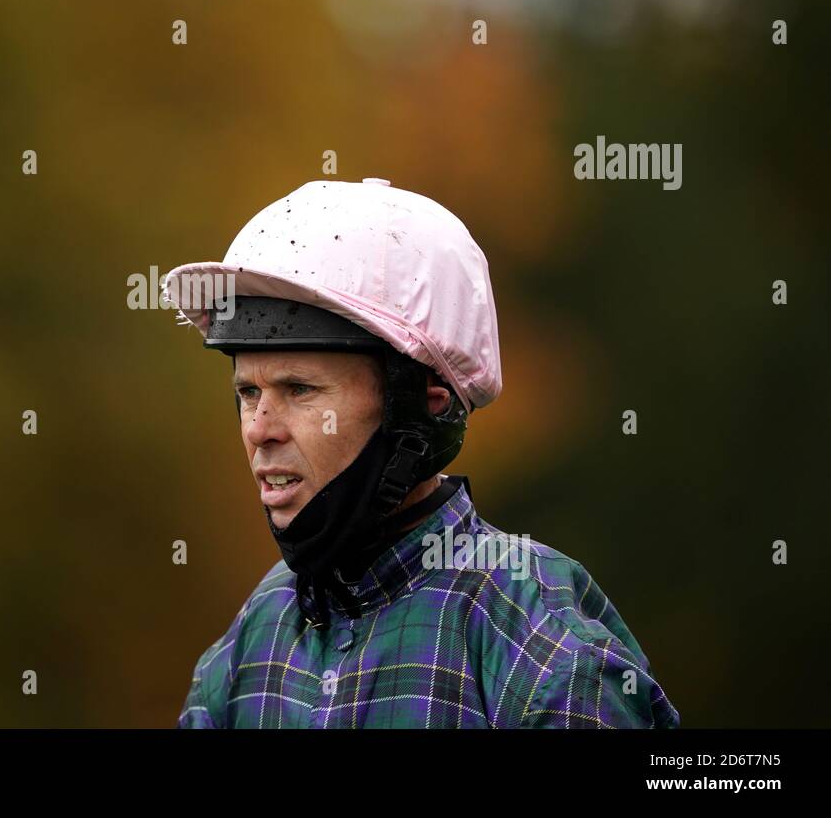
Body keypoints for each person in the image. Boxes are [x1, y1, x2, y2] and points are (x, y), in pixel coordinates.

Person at [164, 178, 679, 729]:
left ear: (421, 409)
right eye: (249, 393)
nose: (260, 430)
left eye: (300, 390)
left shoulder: (530, 627)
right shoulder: (258, 630)